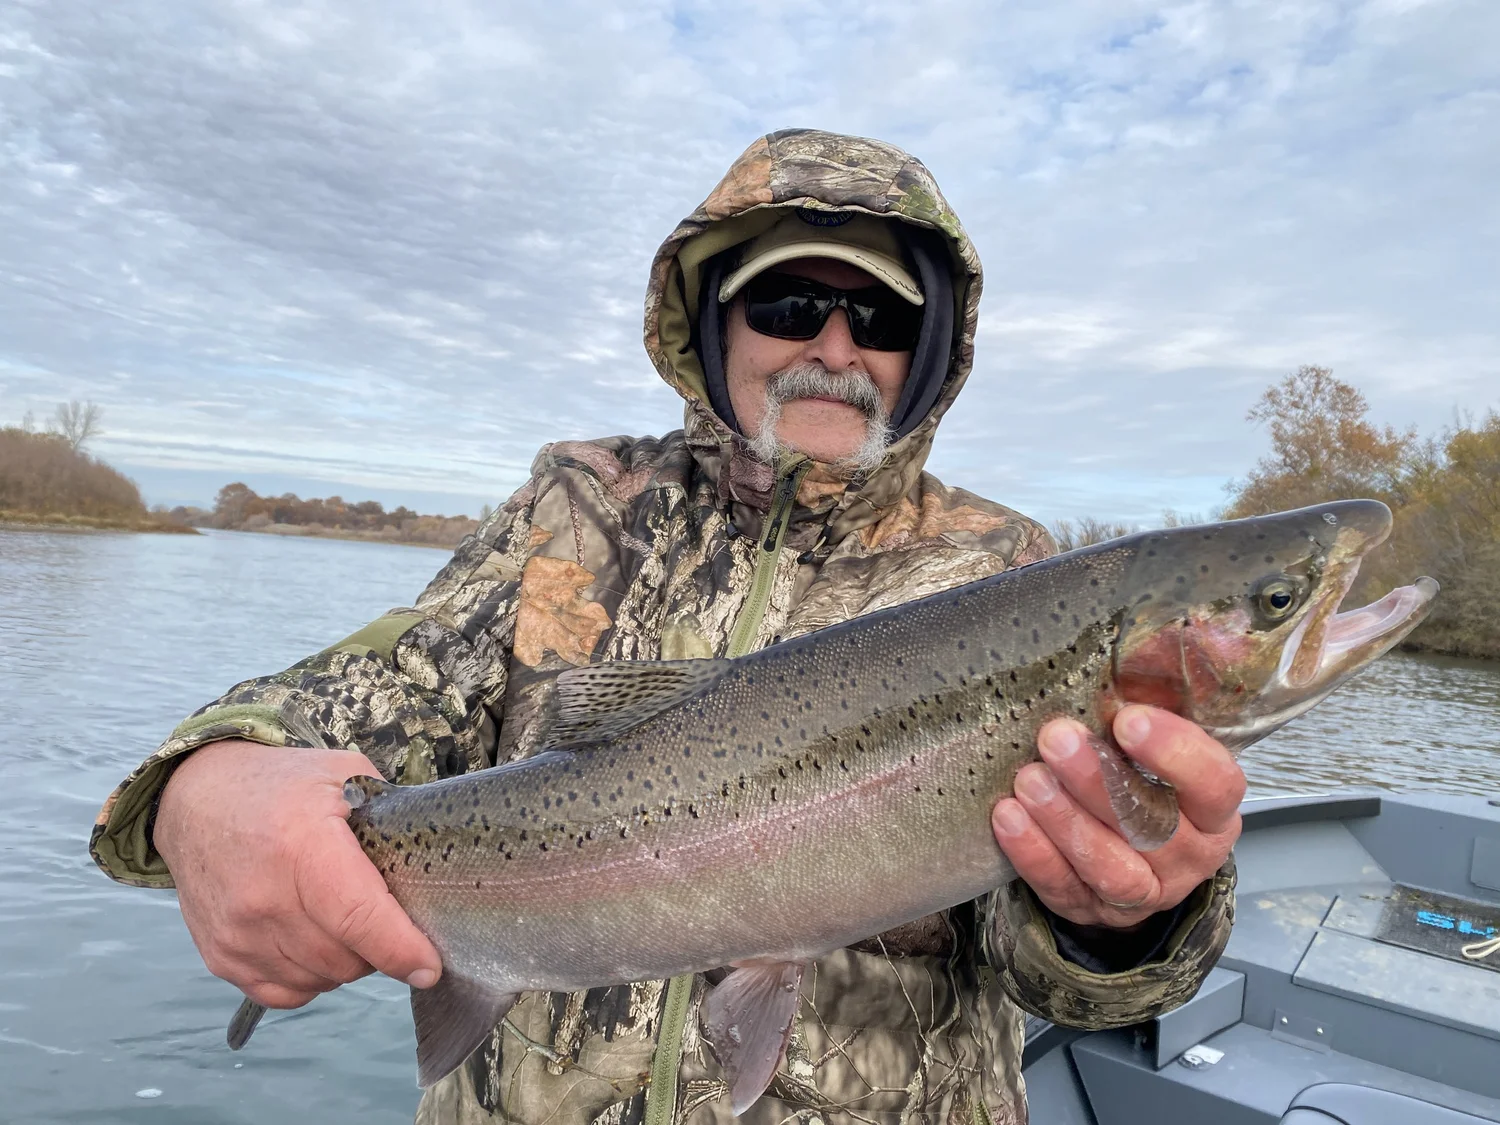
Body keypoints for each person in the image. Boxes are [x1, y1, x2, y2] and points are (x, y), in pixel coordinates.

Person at [91, 129, 1243, 1125]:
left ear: (927, 349)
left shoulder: (1015, 574)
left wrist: (1125, 922)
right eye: (791, 306)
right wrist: (214, 777)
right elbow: (390, 685)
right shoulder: (578, 506)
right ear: (716, 323)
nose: (835, 349)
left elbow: (1074, 988)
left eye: (880, 316)